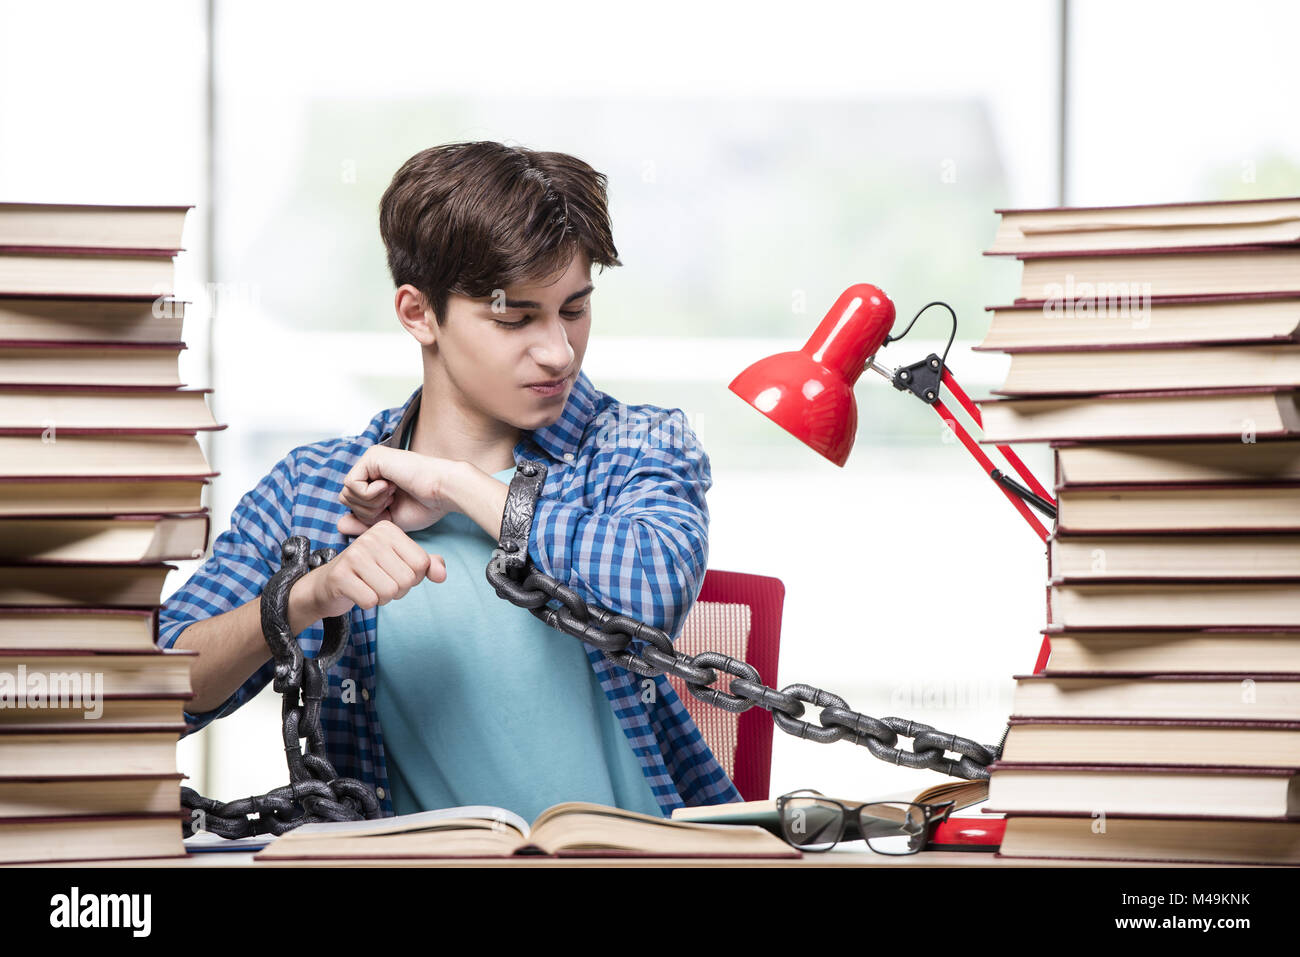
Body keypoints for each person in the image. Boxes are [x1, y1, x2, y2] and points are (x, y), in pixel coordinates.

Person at [159, 140, 743, 821]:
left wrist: (460, 485)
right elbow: (158, 689)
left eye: (575, 309)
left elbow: (652, 588)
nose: (558, 351)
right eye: (515, 317)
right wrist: (306, 595)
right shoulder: (314, 490)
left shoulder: (639, 443)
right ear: (418, 313)